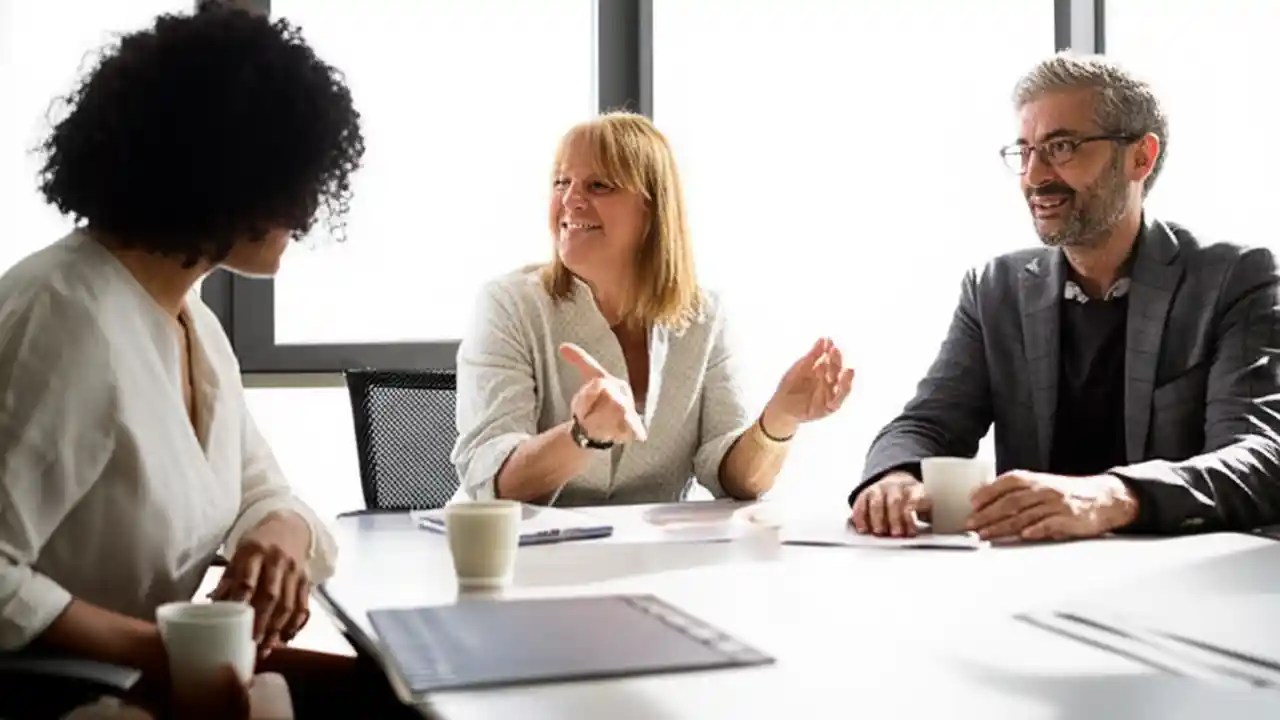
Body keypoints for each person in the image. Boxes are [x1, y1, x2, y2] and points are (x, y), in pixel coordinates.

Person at [0, 6, 409, 718]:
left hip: (132, 678)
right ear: (224, 171)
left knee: (399, 691)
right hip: (49, 689)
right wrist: (156, 647)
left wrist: (280, 538)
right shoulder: (61, 315)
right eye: (293, 180)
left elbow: (268, 495)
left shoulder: (194, 326)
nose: (308, 210)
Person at [850, 52, 1280, 542]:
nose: (1034, 176)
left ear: (1141, 157)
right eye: (1026, 151)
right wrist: (895, 477)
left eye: (1062, 147)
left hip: (1186, 582)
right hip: (1038, 582)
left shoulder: (1234, 279)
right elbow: (927, 423)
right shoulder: (994, 289)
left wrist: (1110, 497)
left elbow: (1261, 458)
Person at [453, 111, 854, 506]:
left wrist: (780, 419)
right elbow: (493, 481)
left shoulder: (704, 316)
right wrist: (582, 435)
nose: (571, 200)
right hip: (517, 561)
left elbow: (734, 478)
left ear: (652, 210)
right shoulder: (508, 305)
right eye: (561, 182)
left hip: (651, 563)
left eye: (598, 185)